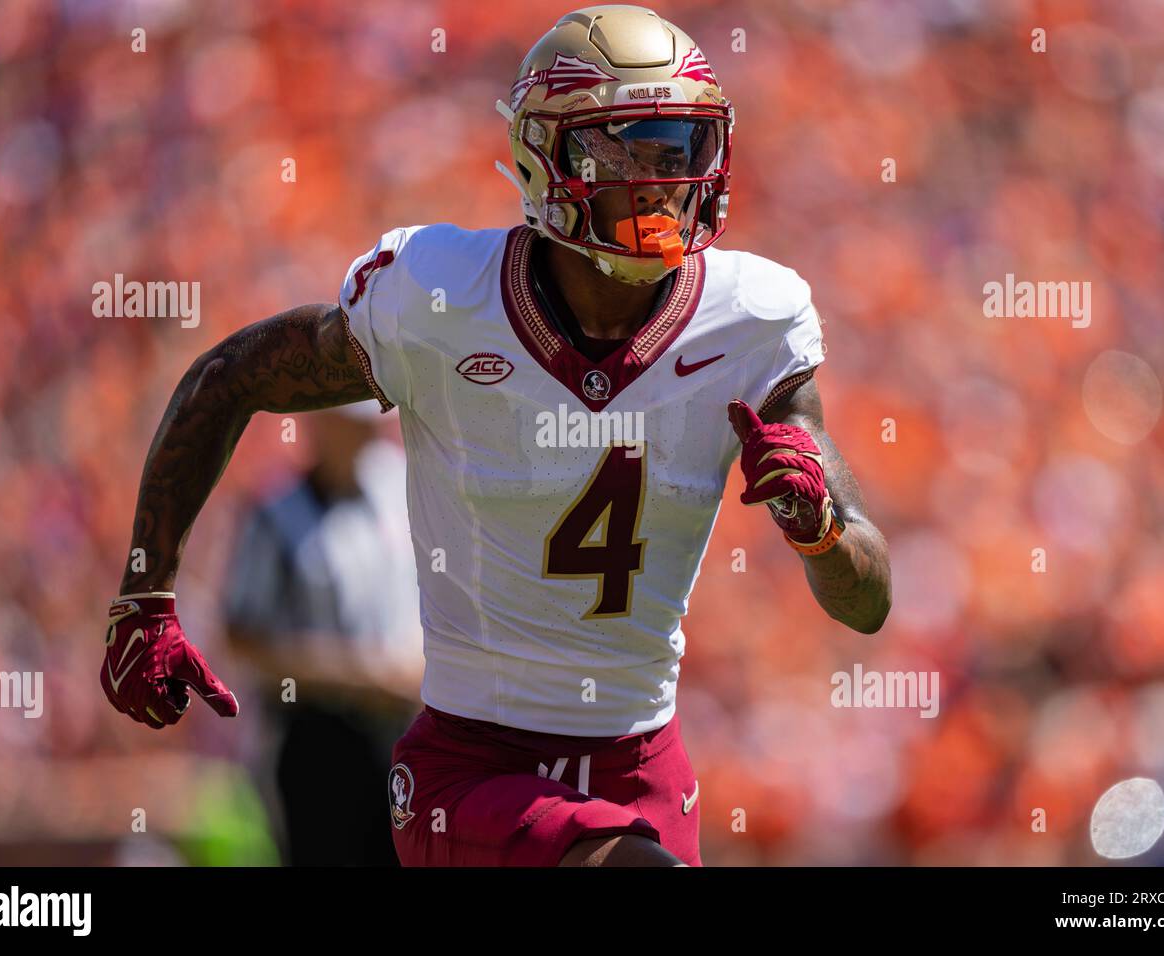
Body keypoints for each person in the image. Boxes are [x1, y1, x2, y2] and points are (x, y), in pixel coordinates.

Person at [100, 4, 892, 867]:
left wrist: (819, 534)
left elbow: (869, 598)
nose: (662, 177)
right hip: (476, 768)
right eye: (628, 144)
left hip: (647, 768)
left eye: (682, 145)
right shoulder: (442, 300)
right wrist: (146, 591)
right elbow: (231, 377)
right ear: (544, 155)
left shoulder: (749, 321)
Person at [222, 402, 421, 866]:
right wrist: (356, 676)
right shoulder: (277, 514)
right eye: (353, 425)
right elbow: (242, 637)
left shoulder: (398, 491)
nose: (368, 436)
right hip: (318, 740)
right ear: (321, 423)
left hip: (401, 732)